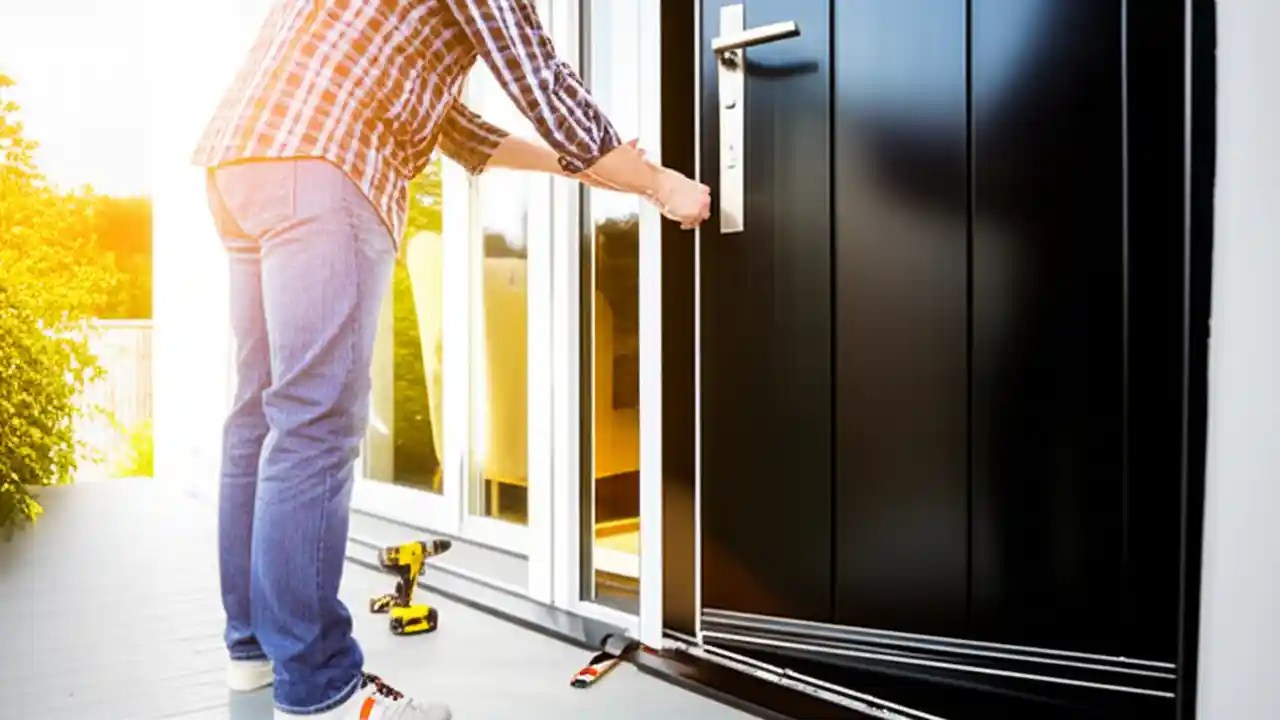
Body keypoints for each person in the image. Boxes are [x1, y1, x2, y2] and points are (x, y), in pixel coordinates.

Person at [192, 1, 711, 718]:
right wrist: (657, 181)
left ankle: (252, 651)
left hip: (244, 159)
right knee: (312, 425)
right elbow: (540, 78)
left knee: (260, 415)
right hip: (323, 164)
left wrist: (584, 170)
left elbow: (455, 128)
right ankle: (318, 689)